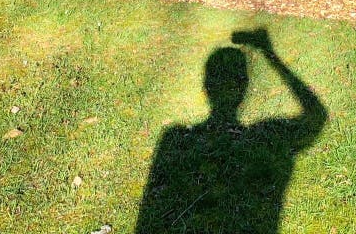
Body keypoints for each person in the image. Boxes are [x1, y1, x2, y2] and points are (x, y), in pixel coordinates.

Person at [135, 28, 327, 233]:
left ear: (206, 87)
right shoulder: (263, 141)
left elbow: (151, 215)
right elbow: (315, 116)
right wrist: (269, 53)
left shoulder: (178, 141)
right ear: (244, 87)